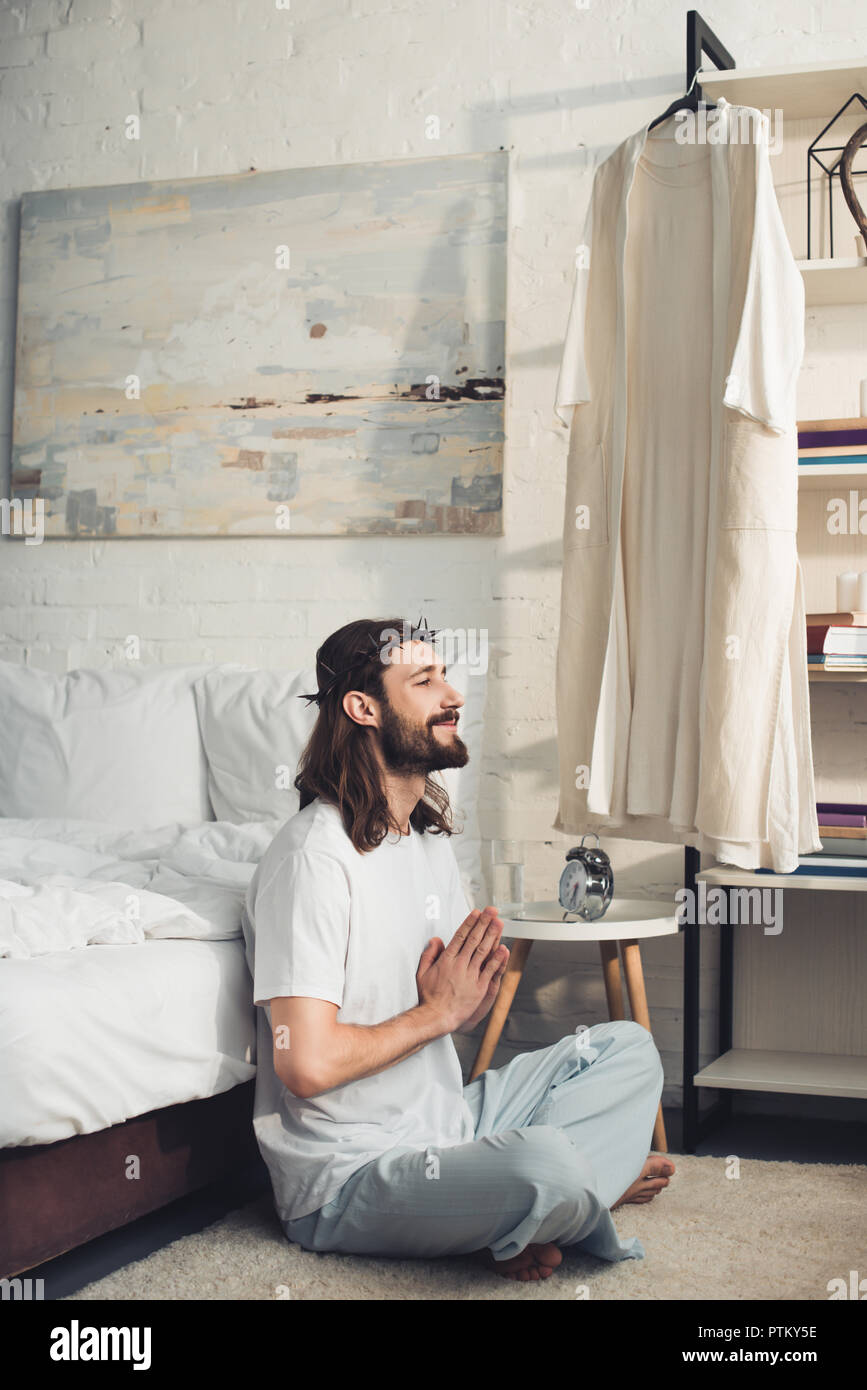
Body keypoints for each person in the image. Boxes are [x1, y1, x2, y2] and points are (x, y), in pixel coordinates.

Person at [241, 616, 674, 1282]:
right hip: (348, 1175)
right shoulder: (311, 859)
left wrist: (467, 1001)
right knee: (544, 1164)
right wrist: (437, 1015)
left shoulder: (426, 843)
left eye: (445, 675)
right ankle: (579, 1189)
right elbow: (304, 1064)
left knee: (627, 1050)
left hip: (446, 1126)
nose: (453, 696)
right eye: (423, 680)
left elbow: (446, 1014)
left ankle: (549, 1202)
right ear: (362, 708)